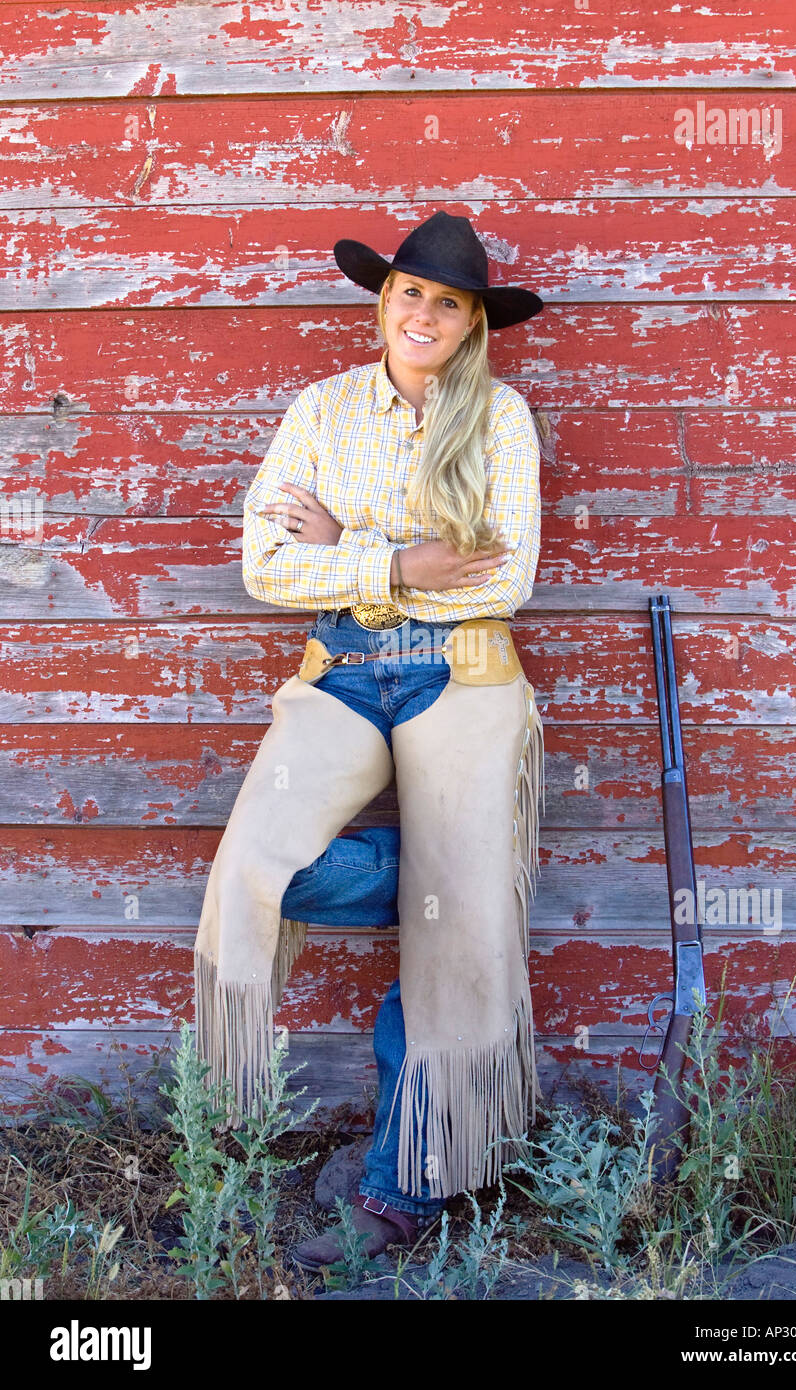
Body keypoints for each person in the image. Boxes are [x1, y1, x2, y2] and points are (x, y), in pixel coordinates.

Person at [193, 210, 547, 1272]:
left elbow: (503, 575)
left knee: (451, 949)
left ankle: (403, 1186)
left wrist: (346, 546)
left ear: (472, 321)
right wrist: (393, 566)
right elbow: (263, 562)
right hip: (339, 673)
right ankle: (449, 885)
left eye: (448, 301)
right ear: (380, 300)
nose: (424, 313)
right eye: (409, 293)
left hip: (466, 672)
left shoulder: (500, 419)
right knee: (262, 867)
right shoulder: (320, 409)